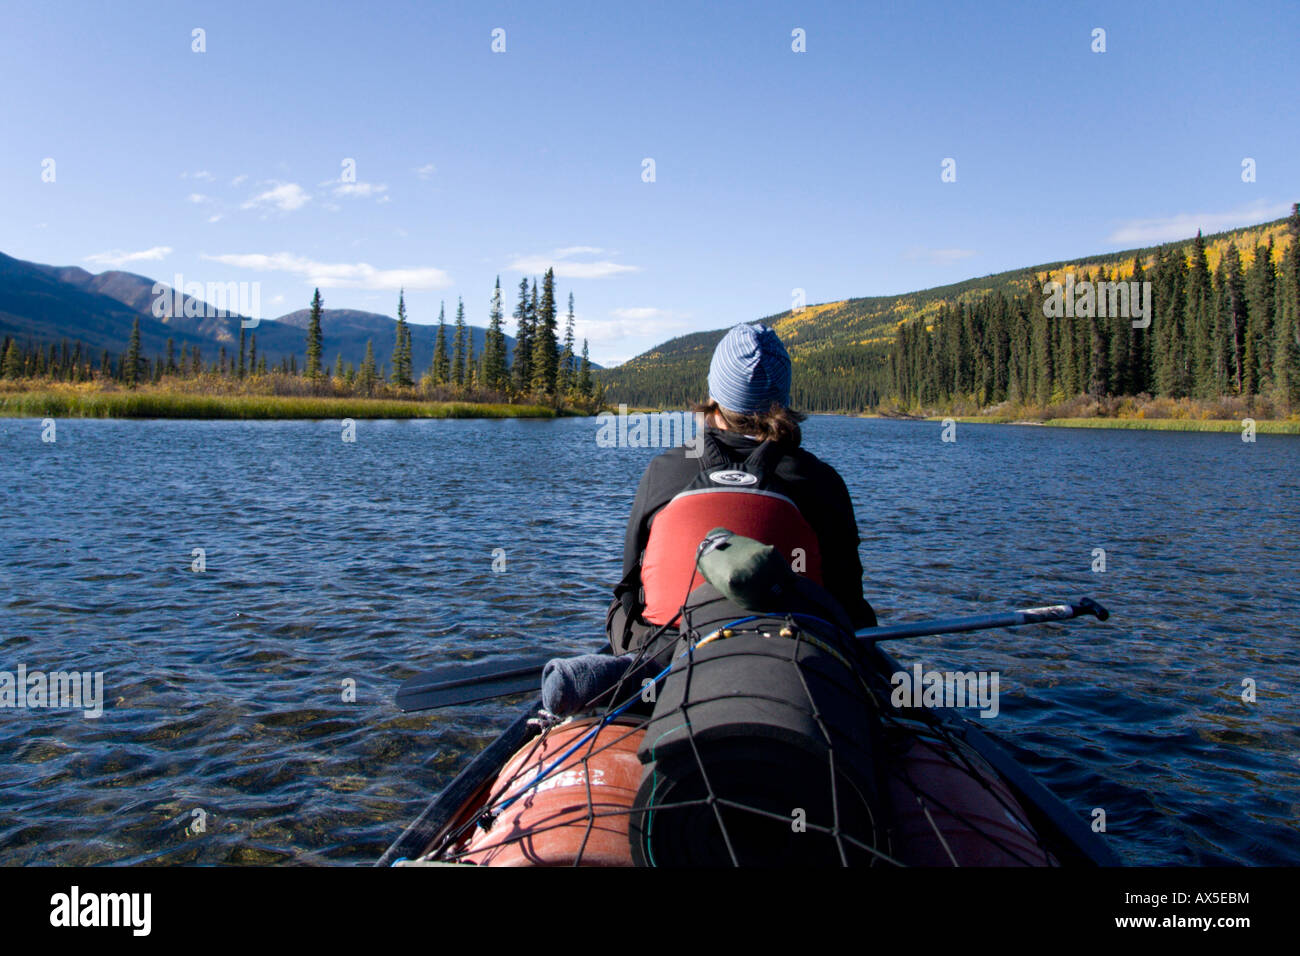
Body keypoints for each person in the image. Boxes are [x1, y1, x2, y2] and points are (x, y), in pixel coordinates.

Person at [606, 322, 876, 655]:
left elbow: (630, 587)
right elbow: (850, 606)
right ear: (782, 399)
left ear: (714, 396)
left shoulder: (664, 472)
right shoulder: (822, 483)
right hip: (797, 659)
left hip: (669, 663)